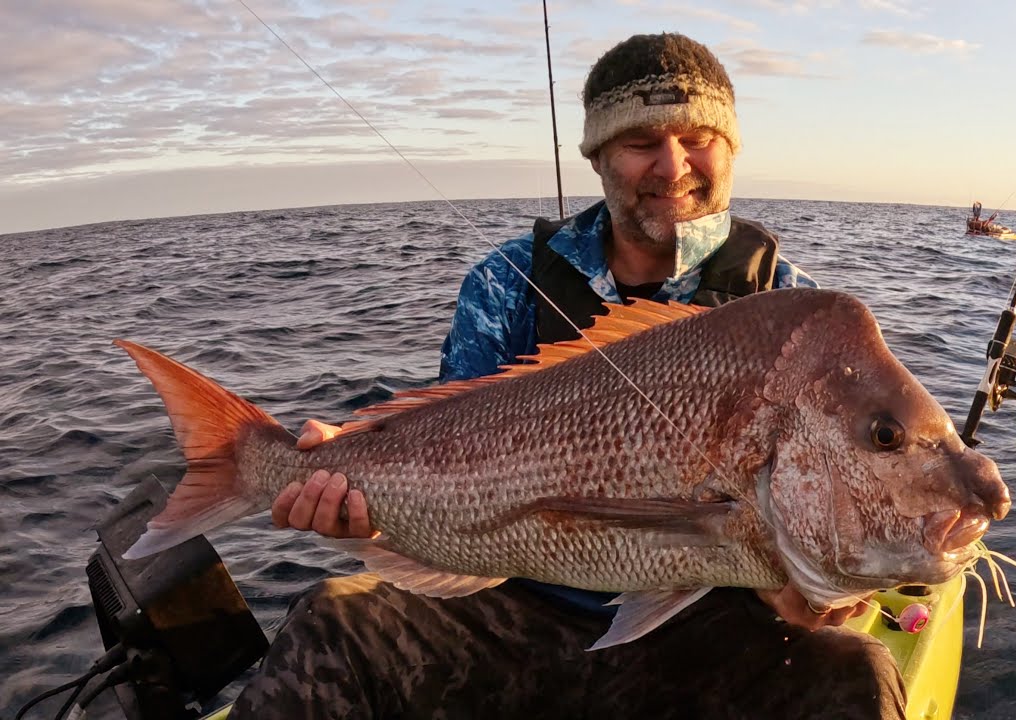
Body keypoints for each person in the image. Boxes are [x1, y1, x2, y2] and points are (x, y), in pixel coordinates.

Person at [231, 33, 907, 720]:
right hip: (512, 612)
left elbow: (841, 493)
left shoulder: (797, 315)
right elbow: (445, 448)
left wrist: (812, 587)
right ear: (598, 156)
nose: (673, 167)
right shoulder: (506, 284)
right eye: (642, 141)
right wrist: (354, 483)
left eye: (699, 138)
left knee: (855, 672)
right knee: (333, 622)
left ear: (731, 149)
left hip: (709, 635)